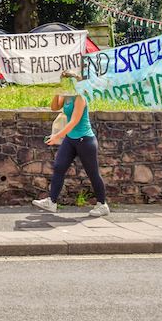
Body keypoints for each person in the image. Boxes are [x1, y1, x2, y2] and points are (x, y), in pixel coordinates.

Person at [32, 70, 109, 217]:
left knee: (93, 173)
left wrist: (56, 136)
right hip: (71, 139)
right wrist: (56, 92)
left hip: (85, 140)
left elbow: (74, 121)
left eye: (68, 82)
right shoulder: (67, 96)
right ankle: (52, 202)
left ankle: (102, 204)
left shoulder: (80, 98)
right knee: (59, 167)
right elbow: (54, 107)